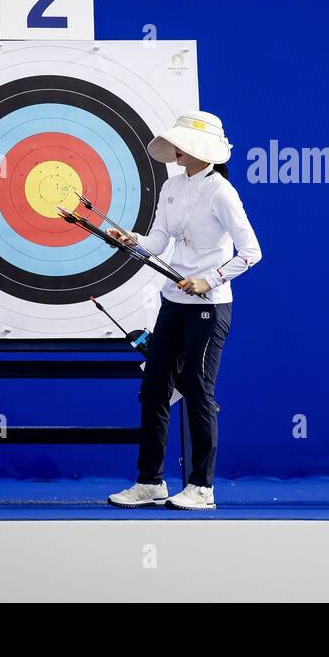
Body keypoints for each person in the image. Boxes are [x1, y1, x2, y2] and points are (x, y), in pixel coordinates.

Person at [105, 111, 262, 511]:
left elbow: (252, 252)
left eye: (180, 142)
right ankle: (150, 482)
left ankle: (202, 487)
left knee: (197, 391)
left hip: (208, 309)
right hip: (173, 304)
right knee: (154, 388)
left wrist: (208, 280)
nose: (173, 148)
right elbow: (157, 242)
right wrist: (130, 240)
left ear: (196, 149)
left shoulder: (221, 192)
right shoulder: (172, 186)